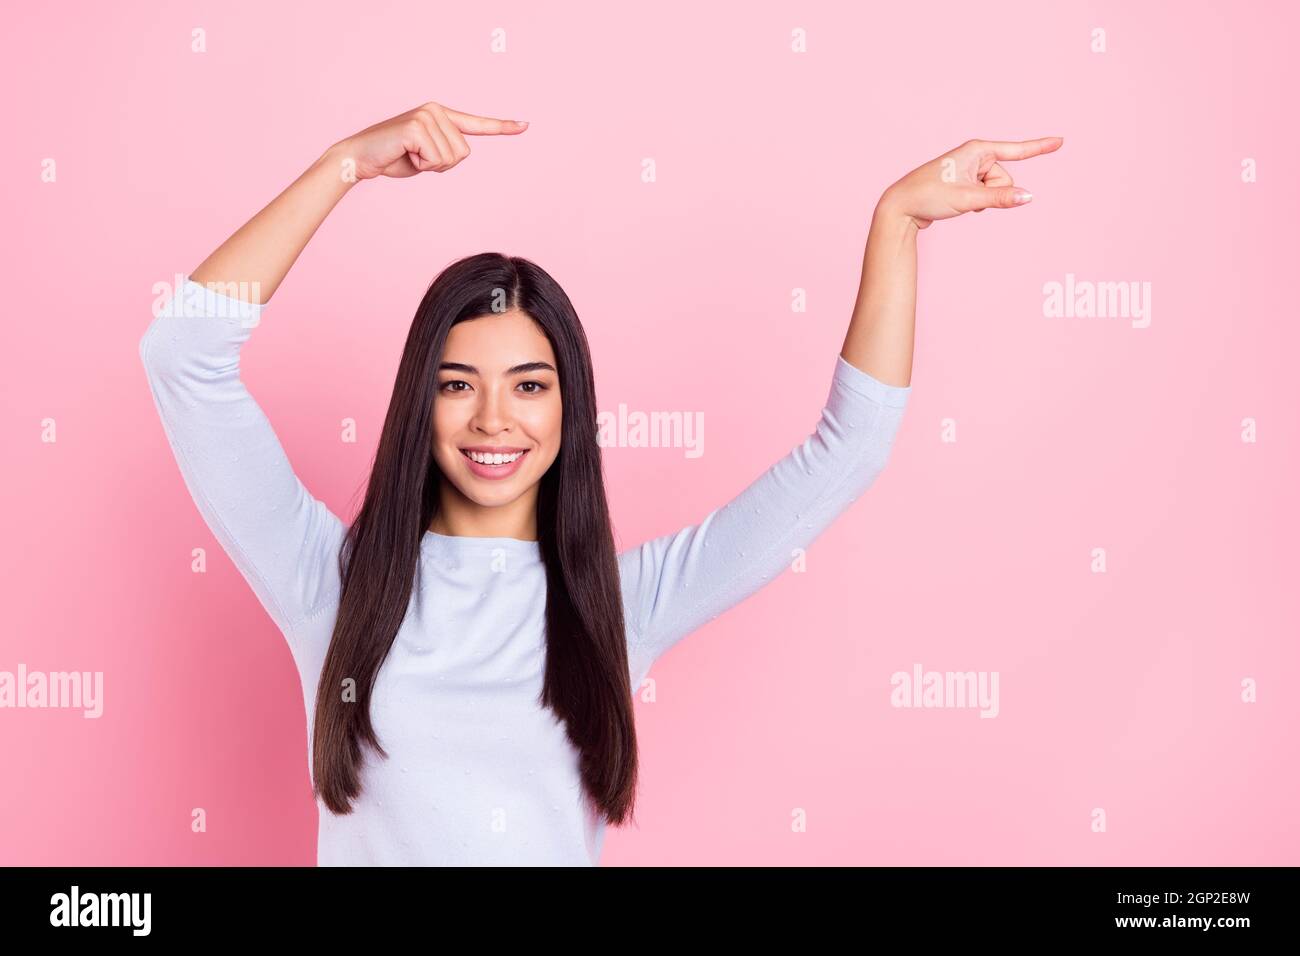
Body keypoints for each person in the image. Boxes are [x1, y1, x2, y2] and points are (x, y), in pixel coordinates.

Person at [138, 100, 1062, 865]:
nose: (494, 419)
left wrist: (896, 221)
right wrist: (346, 163)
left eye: (529, 386)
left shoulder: (621, 604)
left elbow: (849, 451)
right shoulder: (329, 586)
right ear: (418, 404)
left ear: (568, 408)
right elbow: (182, 355)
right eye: (457, 386)